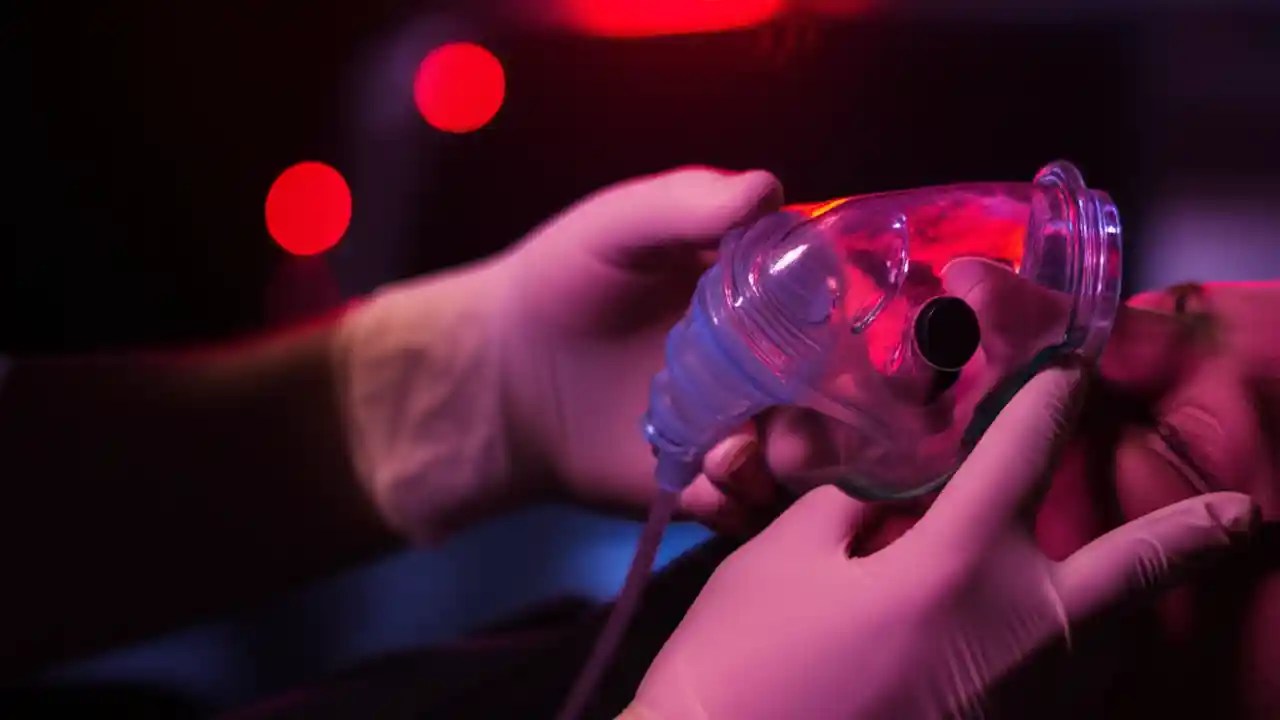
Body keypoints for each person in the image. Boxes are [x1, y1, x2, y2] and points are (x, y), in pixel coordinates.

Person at [0, 167, 1269, 718]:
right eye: (1166, 305)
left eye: (1173, 442)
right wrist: (447, 399)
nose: (989, 292)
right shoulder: (608, 655)